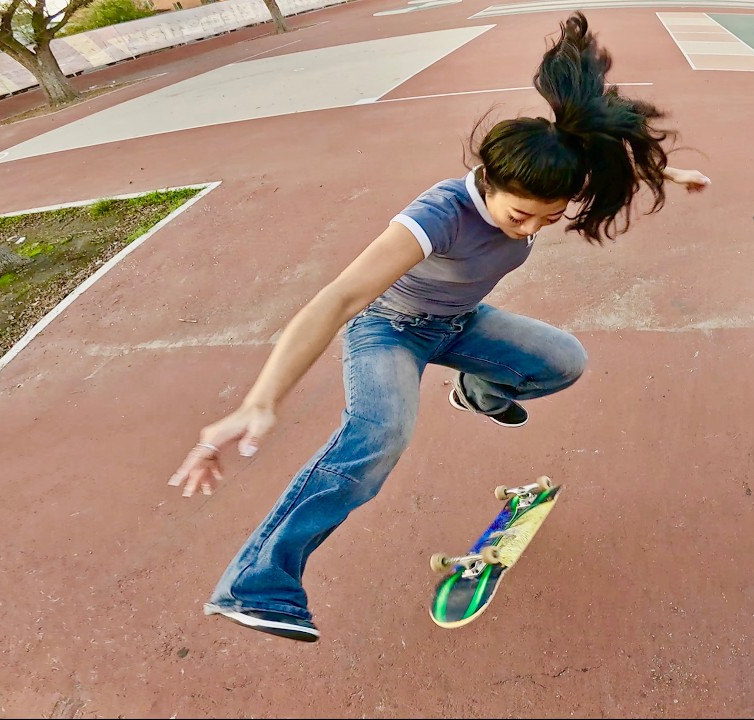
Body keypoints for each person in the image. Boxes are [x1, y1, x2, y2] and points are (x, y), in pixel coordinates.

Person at [166, 12, 711, 642]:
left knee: (563, 361)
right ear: (489, 180)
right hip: (388, 330)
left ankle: (475, 391)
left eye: (548, 219)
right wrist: (262, 400)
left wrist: (667, 172)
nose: (530, 229)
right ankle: (255, 582)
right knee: (379, 438)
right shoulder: (439, 213)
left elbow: (606, 159)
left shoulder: (547, 177)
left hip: (457, 324)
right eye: (520, 215)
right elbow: (338, 298)